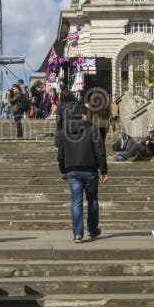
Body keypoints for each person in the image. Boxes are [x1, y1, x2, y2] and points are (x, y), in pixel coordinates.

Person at [58, 104, 109, 243]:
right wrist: (103, 170)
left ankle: (77, 234)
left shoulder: (64, 131)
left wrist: (63, 170)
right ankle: (92, 230)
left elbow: (61, 154)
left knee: (76, 202)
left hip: (72, 171)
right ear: (84, 115)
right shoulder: (93, 129)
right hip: (90, 170)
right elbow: (100, 151)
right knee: (92, 200)